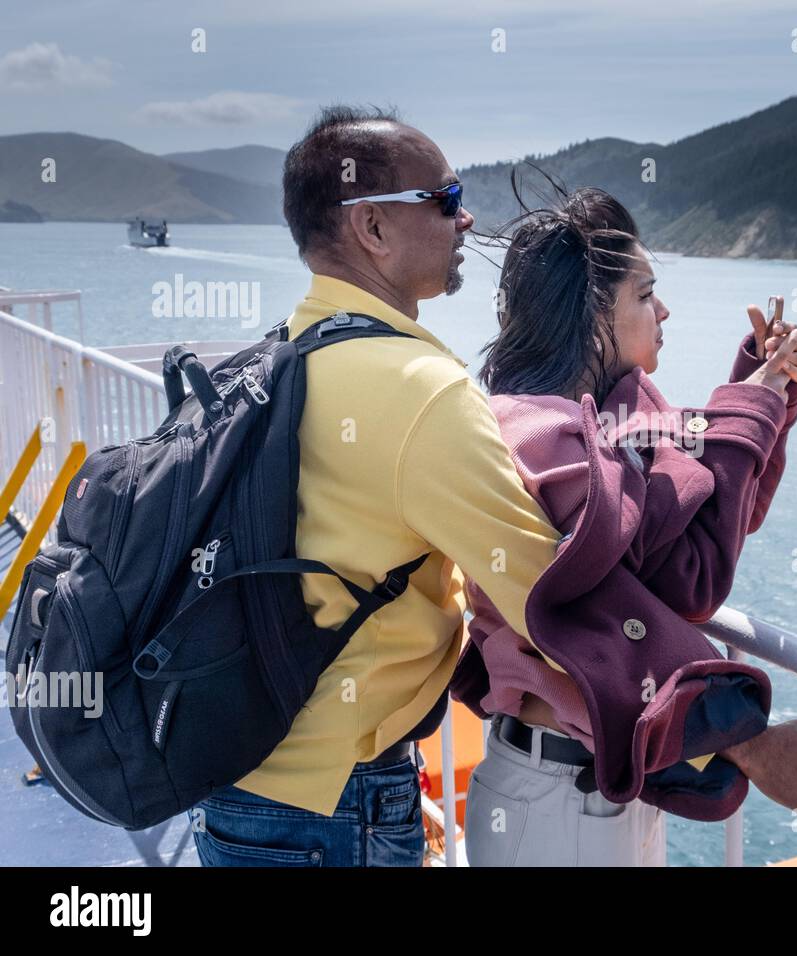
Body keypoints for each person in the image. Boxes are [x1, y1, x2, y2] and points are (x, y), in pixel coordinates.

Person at [187, 105, 563, 866]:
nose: (467, 220)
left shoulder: (274, 359)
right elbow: (550, 597)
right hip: (330, 808)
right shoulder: (421, 389)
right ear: (374, 229)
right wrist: (735, 737)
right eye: (448, 199)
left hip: (232, 779)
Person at [453, 184, 797, 866]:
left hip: (585, 790)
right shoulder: (542, 437)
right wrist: (750, 405)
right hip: (560, 800)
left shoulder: (588, 418)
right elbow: (690, 577)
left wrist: (762, 391)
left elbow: (705, 519)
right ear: (593, 319)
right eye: (645, 294)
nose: (665, 308)